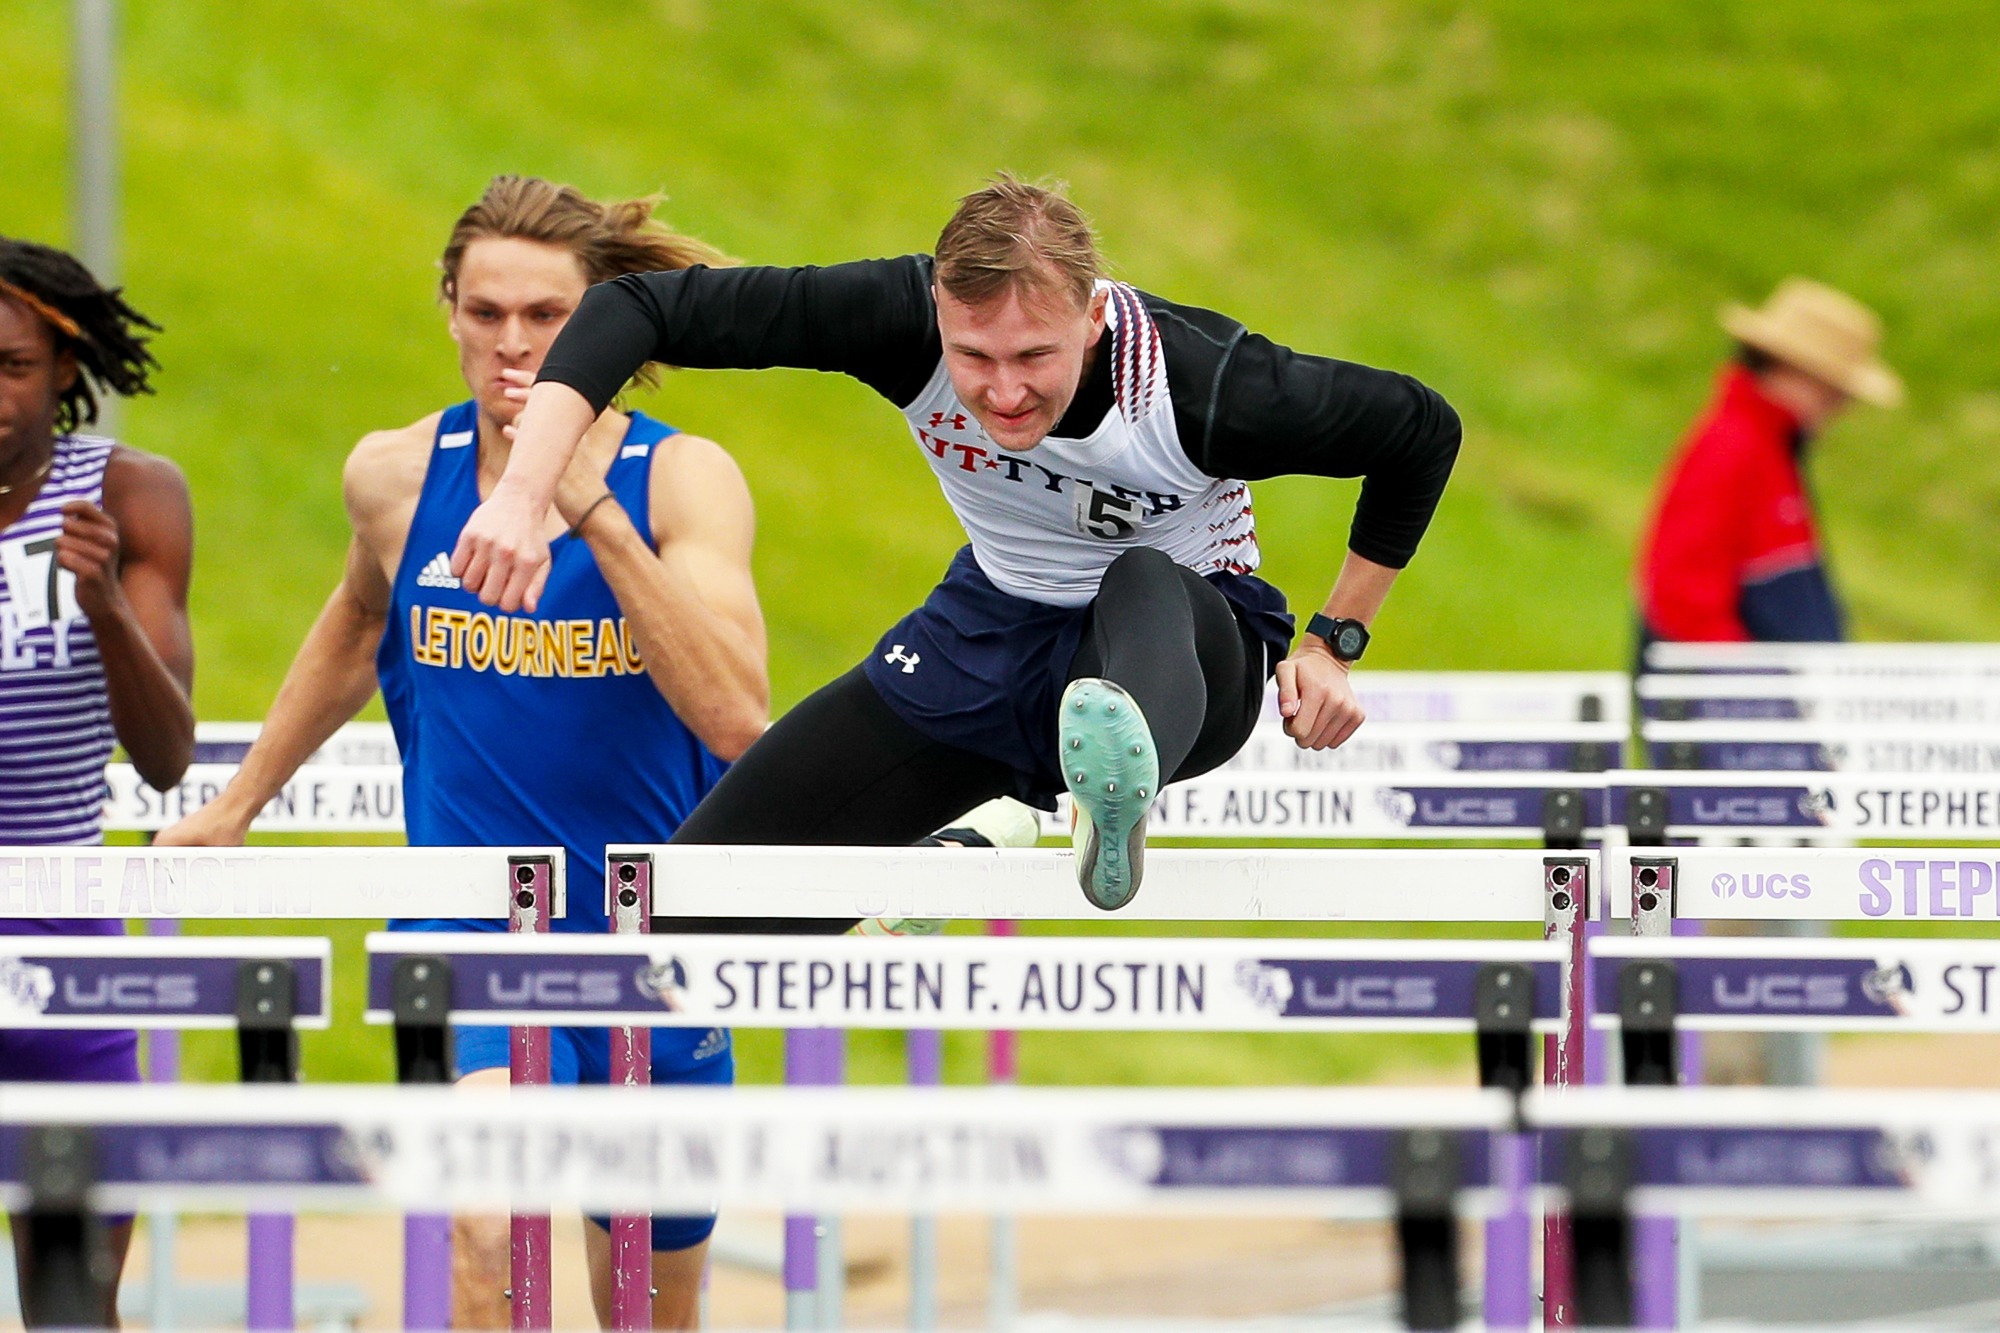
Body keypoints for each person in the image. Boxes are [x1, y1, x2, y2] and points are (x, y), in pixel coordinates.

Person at [453, 176, 1462, 913]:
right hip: (986, 632)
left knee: (1141, 579)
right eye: (972, 358)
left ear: (1094, 314)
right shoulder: (892, 318)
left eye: (1035, 357)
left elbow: (1418, 428)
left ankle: (1111, 786)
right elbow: (634, 306)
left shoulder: (1206, 384)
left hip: (1183, 654)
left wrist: (1333, 640)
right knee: (693, 898)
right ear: (935, 311)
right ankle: (983, 836)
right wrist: (524, 491)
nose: (1004, 392)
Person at [155, 177, 766, 1330]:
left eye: (548, 317)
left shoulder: (682, 480)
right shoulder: (395, 474)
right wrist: (237, 802)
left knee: (646, 1306)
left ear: (607, 323)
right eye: (486, 313)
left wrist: (592, 516)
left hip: (652, 940)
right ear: (447, 309)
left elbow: (737, 716)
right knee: (491, 1219)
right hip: (472, 935)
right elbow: (353, 621)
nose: (514, 346)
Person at [0, 237, 195, 1327]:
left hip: (60, 950)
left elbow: (168, 758)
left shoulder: (128, 497)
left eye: (12, 365)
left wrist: (106, 608)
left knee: (70, 1306)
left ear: (65, 367)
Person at [1638, 277, 1902, 649]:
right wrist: (1753, 689)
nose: (1841, 406)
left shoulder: (1770, 449)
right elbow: (1681, 592)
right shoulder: (1733, 447)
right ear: (1791, 370)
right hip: (1728, 697)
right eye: (1835, 390)